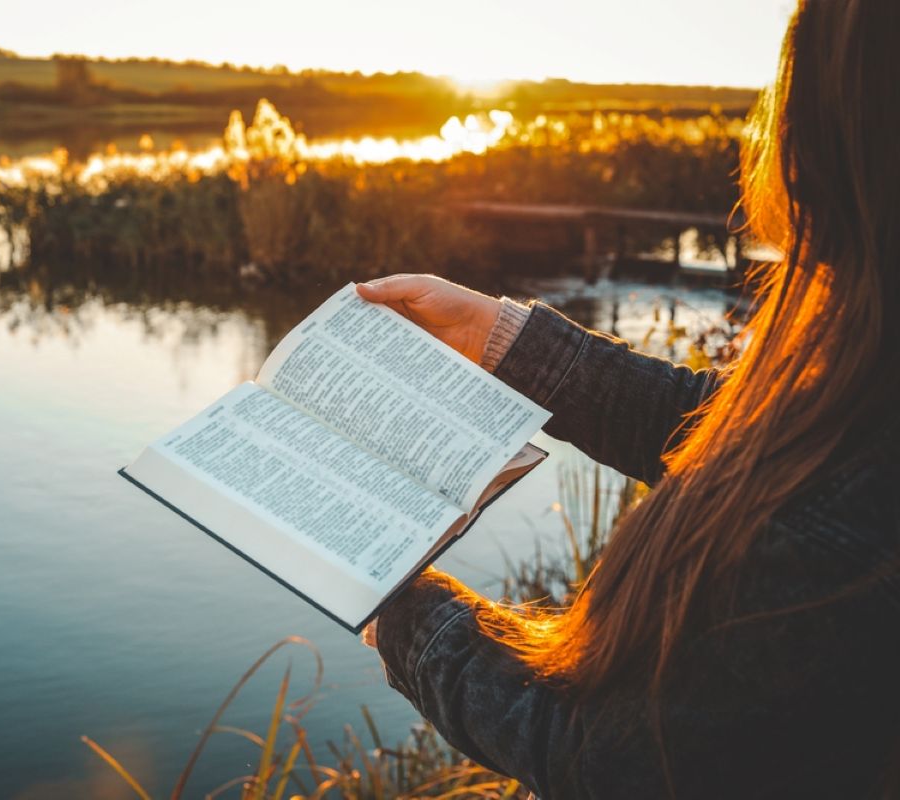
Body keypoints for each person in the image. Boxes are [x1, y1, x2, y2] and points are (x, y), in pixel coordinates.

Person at [355, 0, 899, 796]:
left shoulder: (844, 532)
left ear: (828, 136)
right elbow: (748, 439)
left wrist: (400, 610)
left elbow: (610, 763)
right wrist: (501, 338)